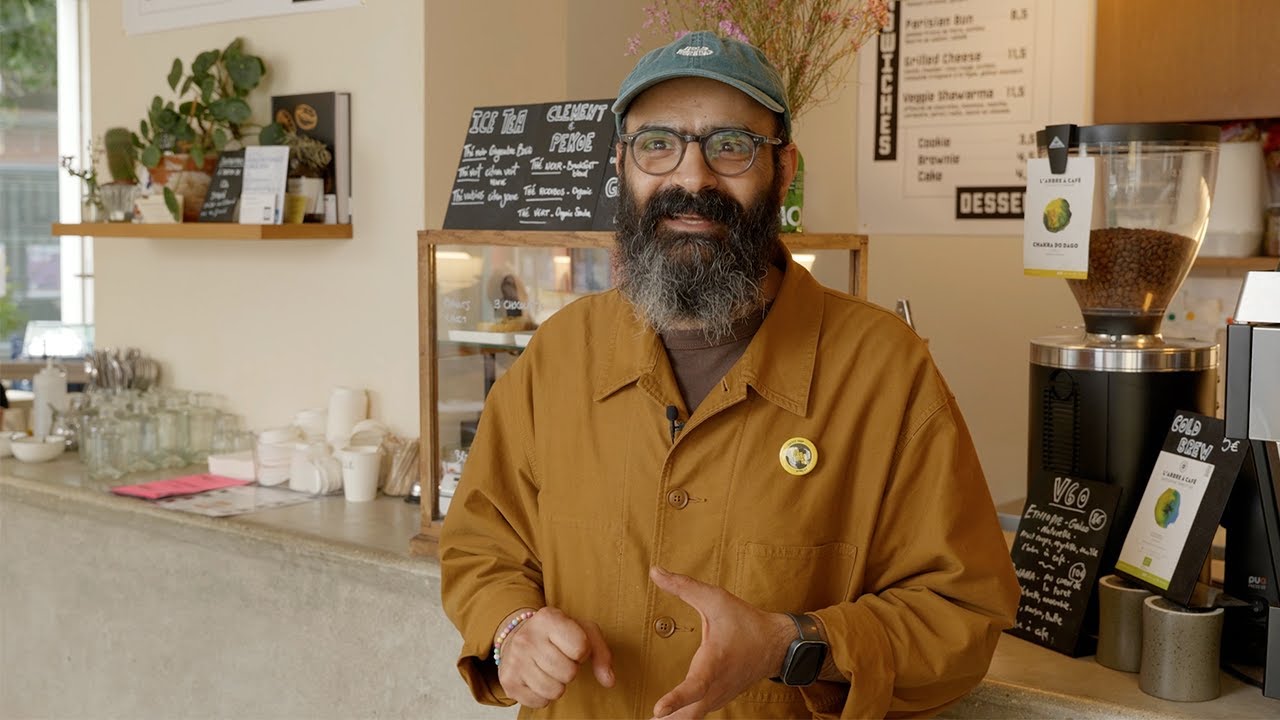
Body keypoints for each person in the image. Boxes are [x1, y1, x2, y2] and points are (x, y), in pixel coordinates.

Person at [440, 31, 1020, 719]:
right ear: (622, 164)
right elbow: (482, 544)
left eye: (730, 146)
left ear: (783, 169)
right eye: (658, 144)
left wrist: (794, 643)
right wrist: (512, 629)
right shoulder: (559, 354)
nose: (692, 180)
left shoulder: (887, 372)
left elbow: (961, 615)